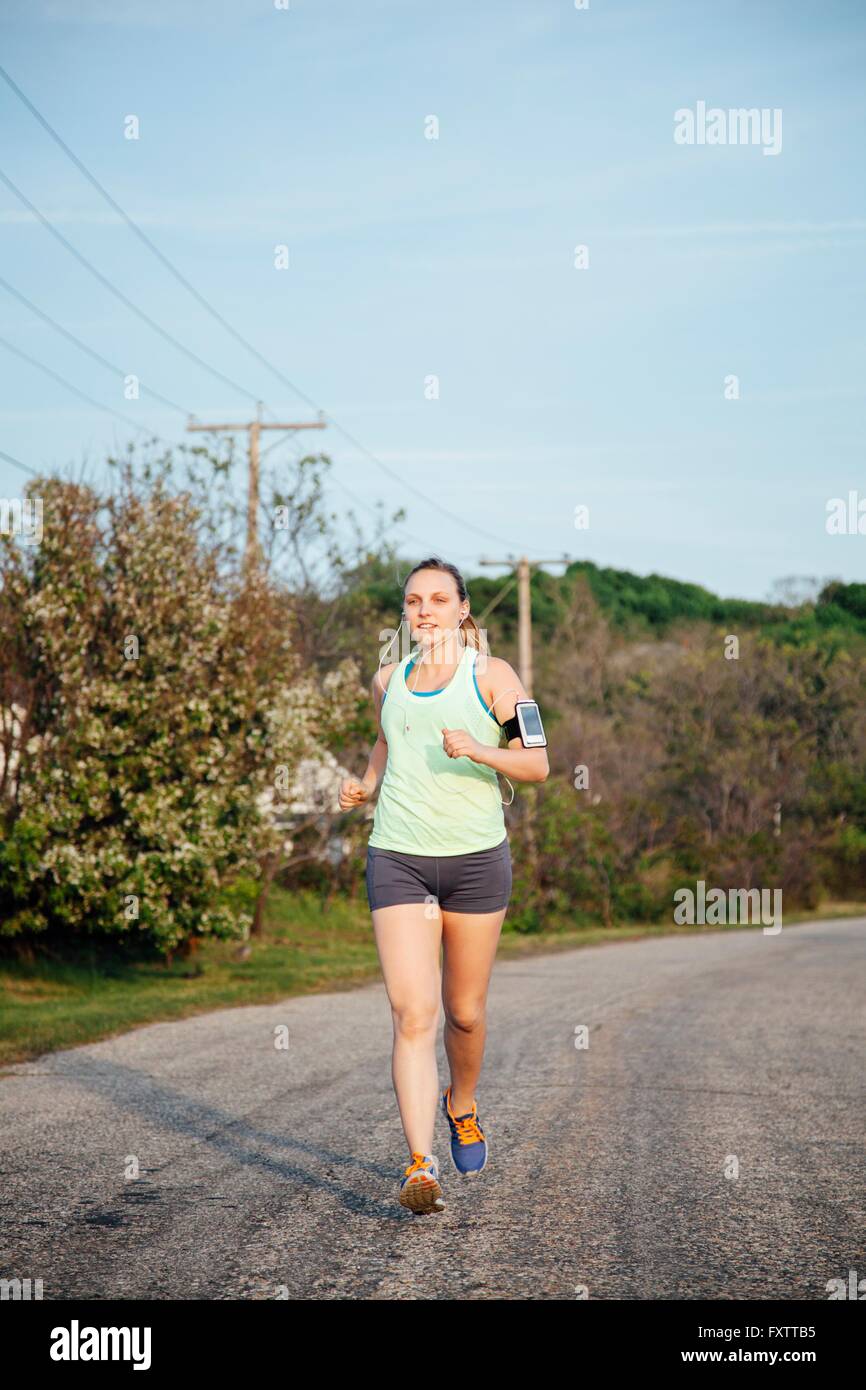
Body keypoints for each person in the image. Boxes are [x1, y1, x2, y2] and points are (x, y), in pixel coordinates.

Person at [338, 557, 549, 1213]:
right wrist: (366, 784)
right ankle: (419, 1164)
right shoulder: (387, 678)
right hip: (398, 856)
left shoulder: (494, 677)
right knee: (412, 1014)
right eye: (412, 601)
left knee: (463, 1012)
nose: (423, 610)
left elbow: (538, 764)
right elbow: (387, 739)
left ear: (462, 609)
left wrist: (480, 749)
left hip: (476, 861)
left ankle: (462, 1104)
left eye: (436, 599)